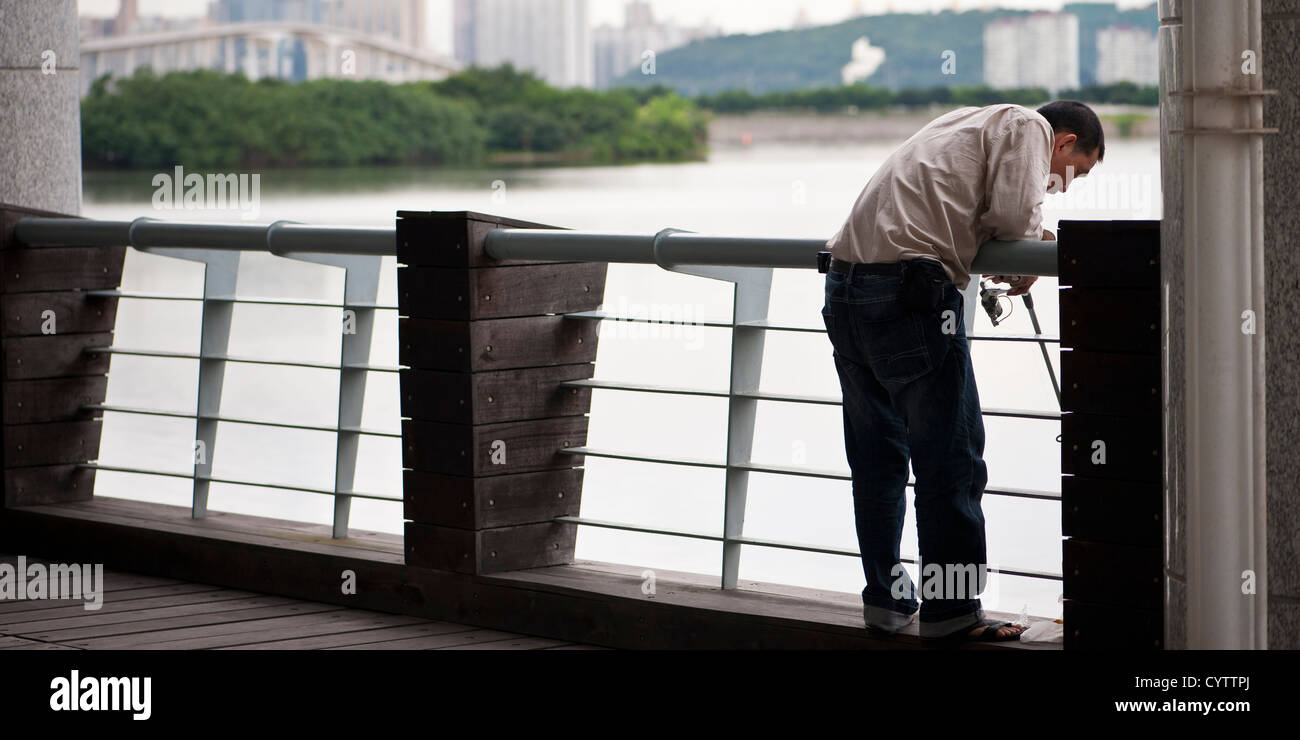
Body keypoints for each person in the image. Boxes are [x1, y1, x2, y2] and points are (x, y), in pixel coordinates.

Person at [820, 100, 1104, 644]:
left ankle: (884, 599)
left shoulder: (963, 120)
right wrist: (1036, 246)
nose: (1065, 185)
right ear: (1064, 142)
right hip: (910, 295)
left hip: (845, 285)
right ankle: (952, 612)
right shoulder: (1030, 128)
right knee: (951, 459)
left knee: (877, 456)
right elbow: (1014, 218)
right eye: (1076, 172)